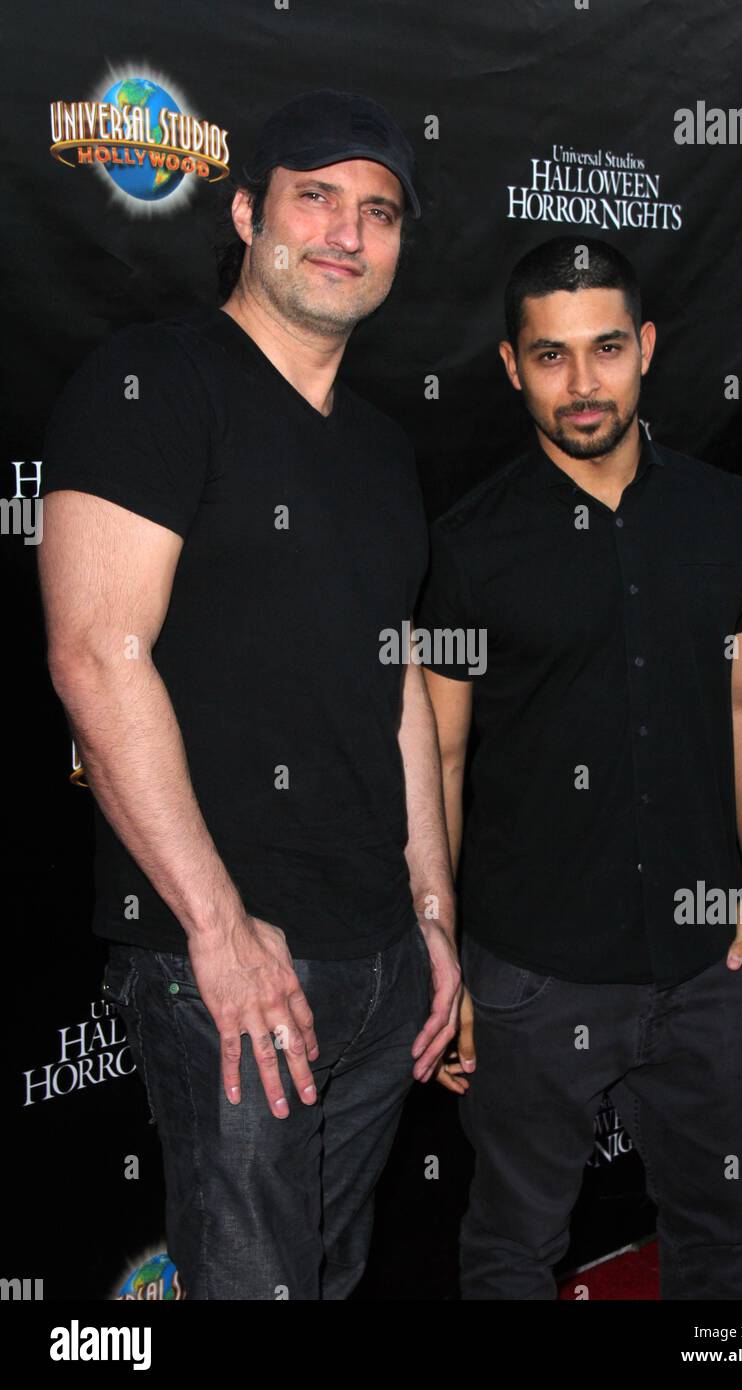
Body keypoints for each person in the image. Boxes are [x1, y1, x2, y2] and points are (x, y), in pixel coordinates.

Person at [37, 89, 460, 1301]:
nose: (345, 230)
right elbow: (94, 654)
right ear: (244, 213)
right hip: (230, 959)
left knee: (324, 1275)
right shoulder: (152, 384)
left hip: (378, 955)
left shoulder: (382, 447)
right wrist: (218, 932)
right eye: (313, 197)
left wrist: (430, 915)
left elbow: (396, 694)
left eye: (376, 211)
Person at [417, 235, 742, 1300]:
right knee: (509, 1252)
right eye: (549, 356)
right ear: (508, 365)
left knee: (718, 1243)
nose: (581, 385)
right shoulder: (465, 546)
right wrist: (446, 960)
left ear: (646, 348)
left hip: (708, 968)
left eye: (604, 349)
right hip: (531, 974)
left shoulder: (726, 515)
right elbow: (437, 753)